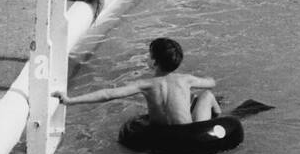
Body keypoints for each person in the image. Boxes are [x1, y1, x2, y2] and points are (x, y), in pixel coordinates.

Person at [53, 37, 219, 125]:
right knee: (207, 95)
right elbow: (211, 83)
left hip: (161, 134)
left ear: (154, 62)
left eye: (149, 56)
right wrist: (209, 79)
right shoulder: (186, 80)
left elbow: (108, 94)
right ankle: (219, 116)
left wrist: (70, 100)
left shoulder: (145, 85)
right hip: (190, 133)